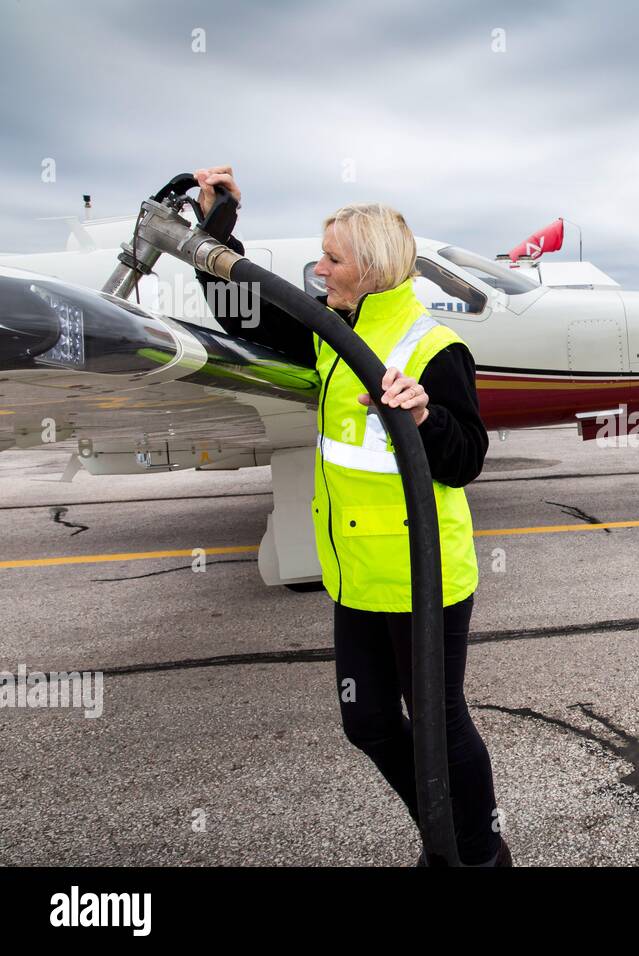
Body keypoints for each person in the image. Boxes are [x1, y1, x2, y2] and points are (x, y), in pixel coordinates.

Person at [192, 166, 509, 866]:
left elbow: (466, 460)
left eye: (332, 258)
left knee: (439, 720)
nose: (318, 267)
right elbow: (246, 308)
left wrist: (423, 417)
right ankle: (443, 831)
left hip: (421, 575)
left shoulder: (434, 348)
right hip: (356, 573)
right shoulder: (332, 330)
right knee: (367, 721)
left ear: (370, 268)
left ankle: (479, 853)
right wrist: (218, 228)